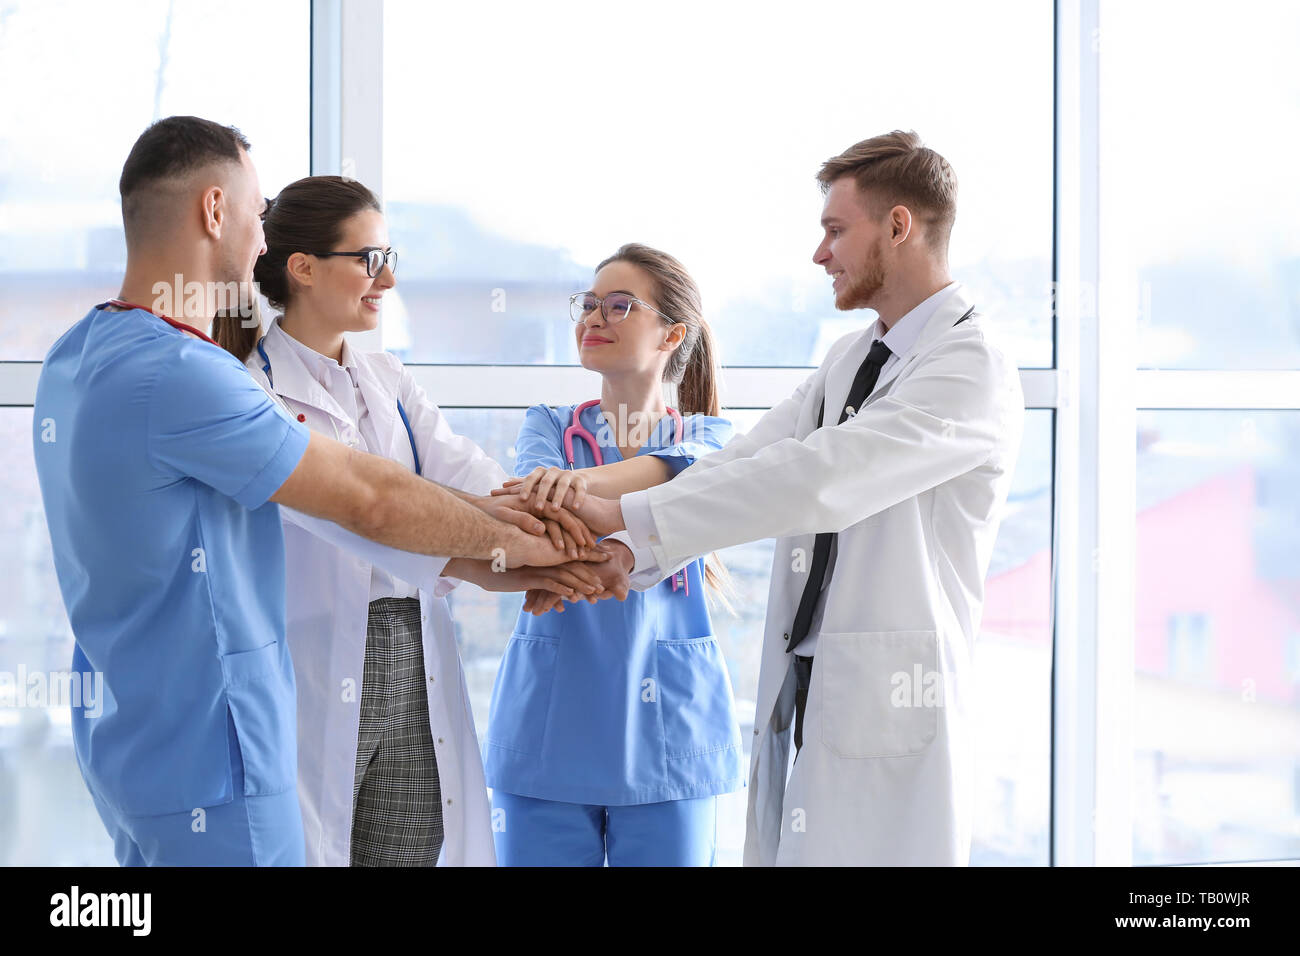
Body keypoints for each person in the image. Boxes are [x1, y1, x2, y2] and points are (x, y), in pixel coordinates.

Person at [32, 116, 596, 867]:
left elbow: (414, 498)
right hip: (219, 757)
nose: (260, 239)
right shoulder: (190, 377)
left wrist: (514, 550)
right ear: (212, 211)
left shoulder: (77, 357)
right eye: (255, 210)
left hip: (138, 752)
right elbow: (370, 501)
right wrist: (532, 548)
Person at [553, 131, 1026, 865]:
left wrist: (628, 519)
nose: (820, 253)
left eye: (836, 231)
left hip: (892, 702)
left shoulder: (971, 367)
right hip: (815, 689)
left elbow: (823, 478)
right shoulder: (854, 357)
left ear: (898, 226)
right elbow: (753, 457)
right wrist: (629, 546)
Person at [216, 174, 610, 867]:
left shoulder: (388, 381)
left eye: (389, 258)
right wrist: (516, 556)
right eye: (369, 260)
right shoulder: (249, 390)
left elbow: (476, 484)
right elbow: (374, 516)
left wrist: (558, 545)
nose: (387, 279)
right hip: (308, 661)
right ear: (303, 268)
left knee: (409, 847)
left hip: (411, 659)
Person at [483, 243, 744, 866]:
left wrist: (576, 487)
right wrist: (632, 498)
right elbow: (533, 517)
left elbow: (670, 482)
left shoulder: (708, 438)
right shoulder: (547, 423)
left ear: (671, 334)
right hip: (550, 731)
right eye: (589, 303)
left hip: (668, 737)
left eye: (620, 305)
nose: (594, 318)